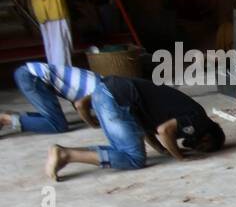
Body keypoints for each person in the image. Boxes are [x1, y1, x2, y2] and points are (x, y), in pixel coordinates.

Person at [43, 75, 225, 180]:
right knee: (134, 159)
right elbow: (164, 130)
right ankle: (66, 154)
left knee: (122, 152)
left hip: (106, 91)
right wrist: (180, 158)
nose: (198, 149)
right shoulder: (198, 120)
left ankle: (64, 153)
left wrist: (161, 149)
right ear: (207, 137)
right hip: (118, 98)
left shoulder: (188, 113)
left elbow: (147, 129)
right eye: (204, 148)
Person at [0, 63, 100, 136]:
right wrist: (92, 123)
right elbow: (80, 105)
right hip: (33, 76)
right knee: (57, 125)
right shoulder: (104, 90)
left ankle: (13, 116)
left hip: (29, 73)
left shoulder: (105, 83)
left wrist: (86, 116)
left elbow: (77, 102)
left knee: (56, 120)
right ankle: (5, 119)